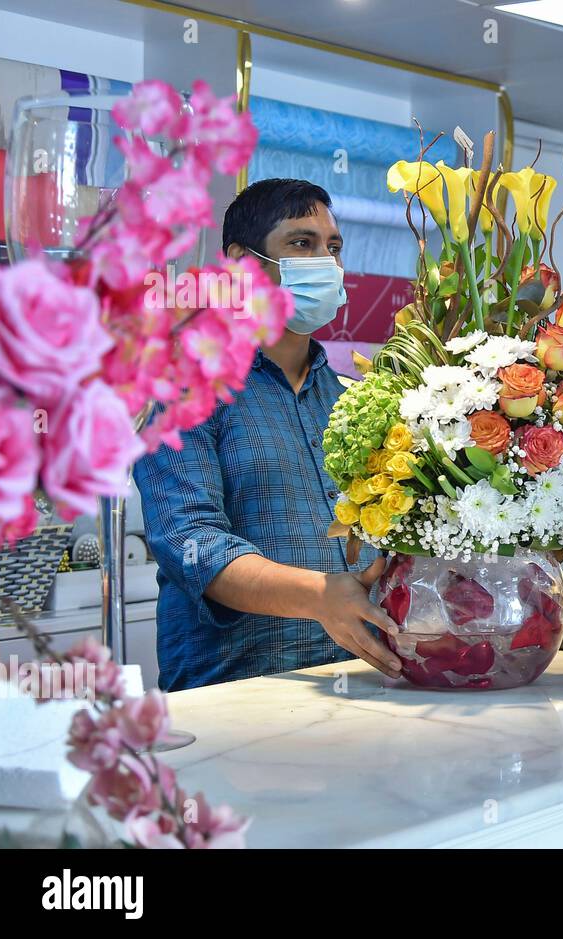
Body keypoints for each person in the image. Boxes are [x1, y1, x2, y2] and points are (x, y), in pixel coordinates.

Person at [135, 178, 402, 691]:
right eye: (302, 244)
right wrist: (320, 596)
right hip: (233, 696)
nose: (326, 262)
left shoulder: (354, 398)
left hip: (359, 685)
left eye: (334, 248)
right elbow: (192, 544)